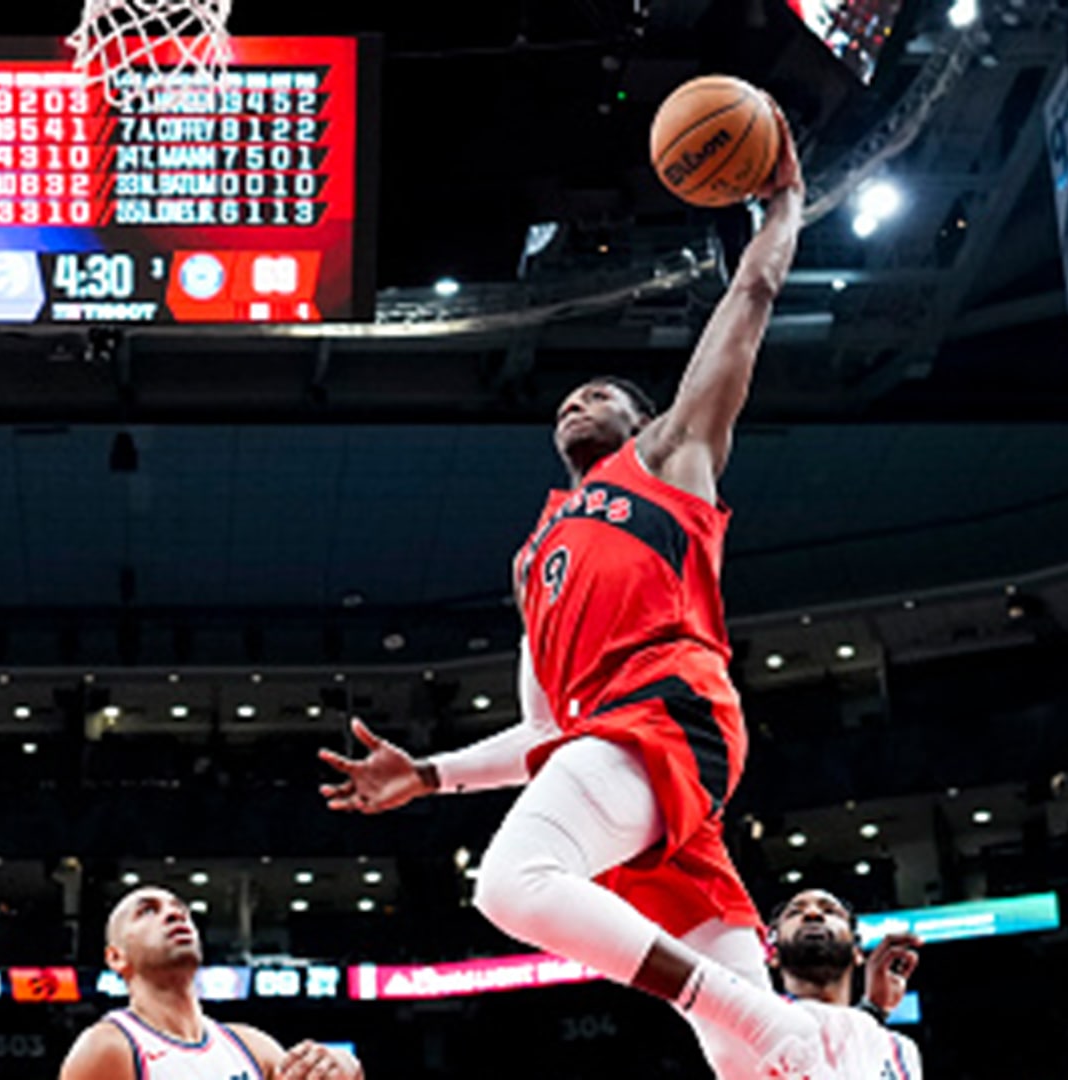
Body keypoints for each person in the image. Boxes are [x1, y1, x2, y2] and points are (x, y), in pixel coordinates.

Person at [317, 106, 823, 1077]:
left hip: (671, 715)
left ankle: (775, 1024)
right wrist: (429, 775)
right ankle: (777, 1039)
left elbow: (752, 299)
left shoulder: (672, 459)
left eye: (601, 392)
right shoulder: (533, 557)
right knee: (747, 1062)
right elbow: (546, 738)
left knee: (510, 884)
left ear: (641, 420)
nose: (576, 400)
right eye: (568, 395)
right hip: (622, 758)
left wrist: (785, 203)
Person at [59, 886, 364, 1080]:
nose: (174, 915)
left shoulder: (252, 1048)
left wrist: (347, 1069)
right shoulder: (108, 1049)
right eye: (148, 911)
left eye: (180, 909)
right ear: (116, 957)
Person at [767, 888, 925, 1077]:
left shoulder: (900, 1050)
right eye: (794, 913)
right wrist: (873, 1009)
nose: (813, 914)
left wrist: (873, 1012)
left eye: (831, 911)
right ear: (773, 955)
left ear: (857, 952)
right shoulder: (754, 1019)